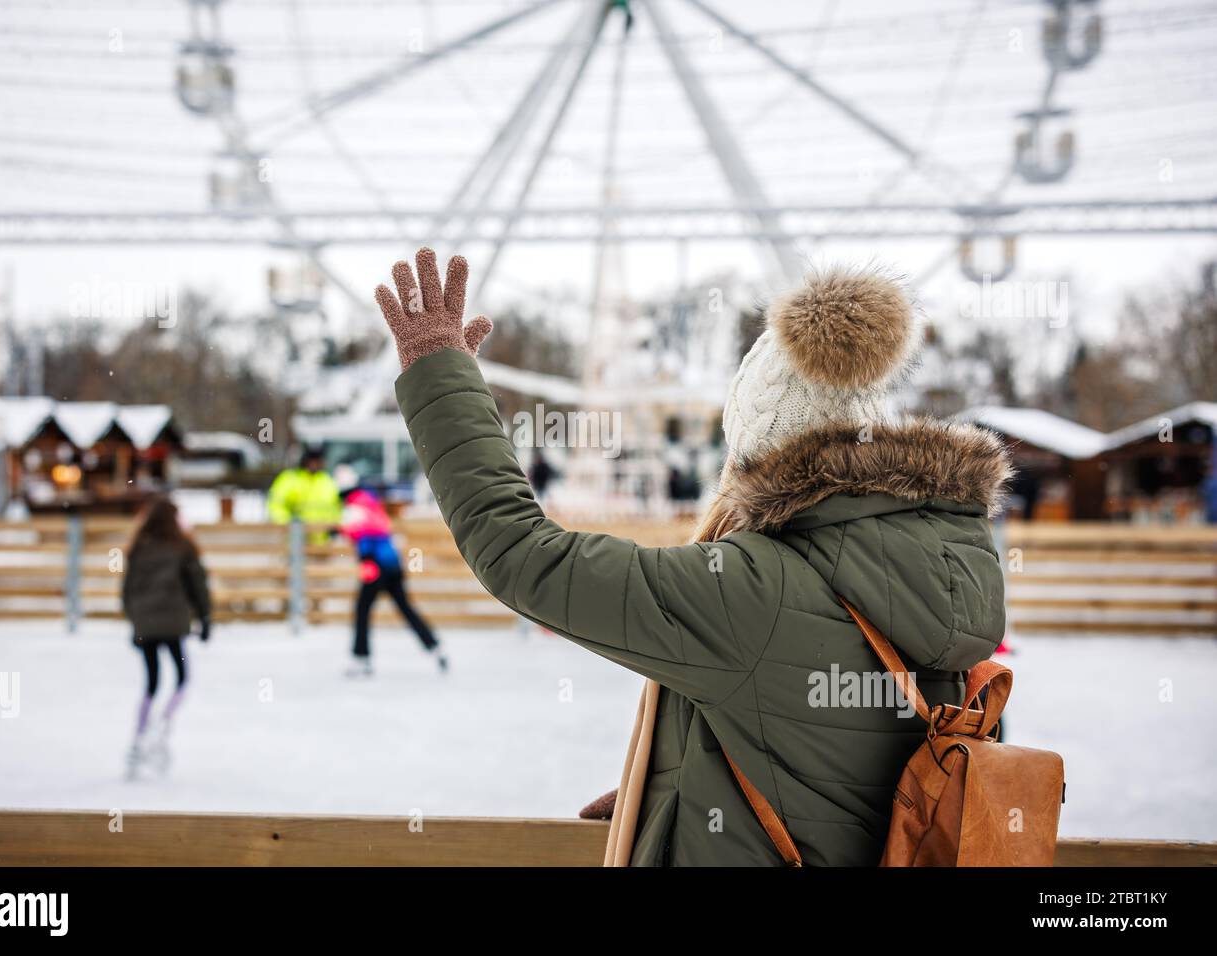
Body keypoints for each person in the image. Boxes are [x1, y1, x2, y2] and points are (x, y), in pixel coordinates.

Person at [374, 249, 1012, 866]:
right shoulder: (946, 572)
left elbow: (522, 556)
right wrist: (675, 795)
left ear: (761, 460)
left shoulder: (753, 591)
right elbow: (852, 764)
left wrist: (439, 377)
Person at [120, 495, 211, 777]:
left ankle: (138, 736)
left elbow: (127, 590)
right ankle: (163, 724)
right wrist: (205, 617)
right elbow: (198, 585)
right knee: (182, 678)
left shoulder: (138, 548)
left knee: (151, 683)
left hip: (146, 627)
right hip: (173, 627)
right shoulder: (182, 547)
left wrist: (134, 620)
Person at [338, 469, 446, 677]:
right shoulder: (369, 501)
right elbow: (376, 528)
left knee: (362, 609)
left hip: (375, 563)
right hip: (392, 563)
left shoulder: (355, 505)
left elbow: (365, 533)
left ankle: (361, 659)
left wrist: (366, 561)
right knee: (406, 608)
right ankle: (435, 647)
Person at [266, 446, 343, 527]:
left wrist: (333, 527)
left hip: (322, 536)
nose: (314, 464)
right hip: (295, 536)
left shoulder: (327, 481)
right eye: (311, 460)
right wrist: (289, 526)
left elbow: (336, 508)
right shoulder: (290, 479)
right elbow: (276, 506)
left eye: (317, 460)